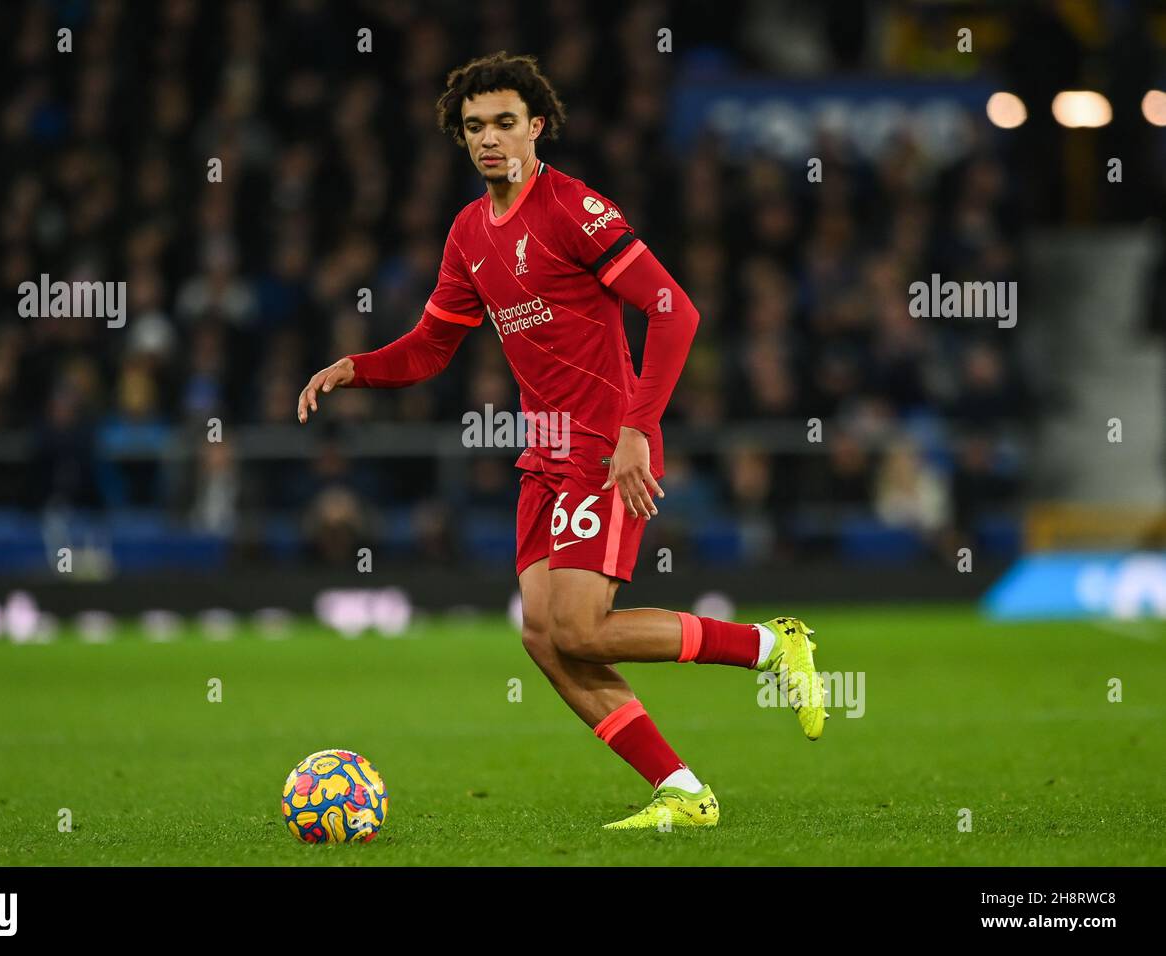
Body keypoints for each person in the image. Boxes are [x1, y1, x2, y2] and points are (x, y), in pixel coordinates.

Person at [298, 52, 827, 829]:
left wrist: (639, 430)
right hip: (541, 455)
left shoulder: (574, 209)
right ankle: (681, 790)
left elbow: (676, 311)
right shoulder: (469, 232)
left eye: (505, 122)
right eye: (474, 126)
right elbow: (432, 346)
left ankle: (771, 647)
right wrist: (356, 367)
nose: (489, 139)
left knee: (581, 626)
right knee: (545, 637)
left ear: (536, 126)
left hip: (603, 448)